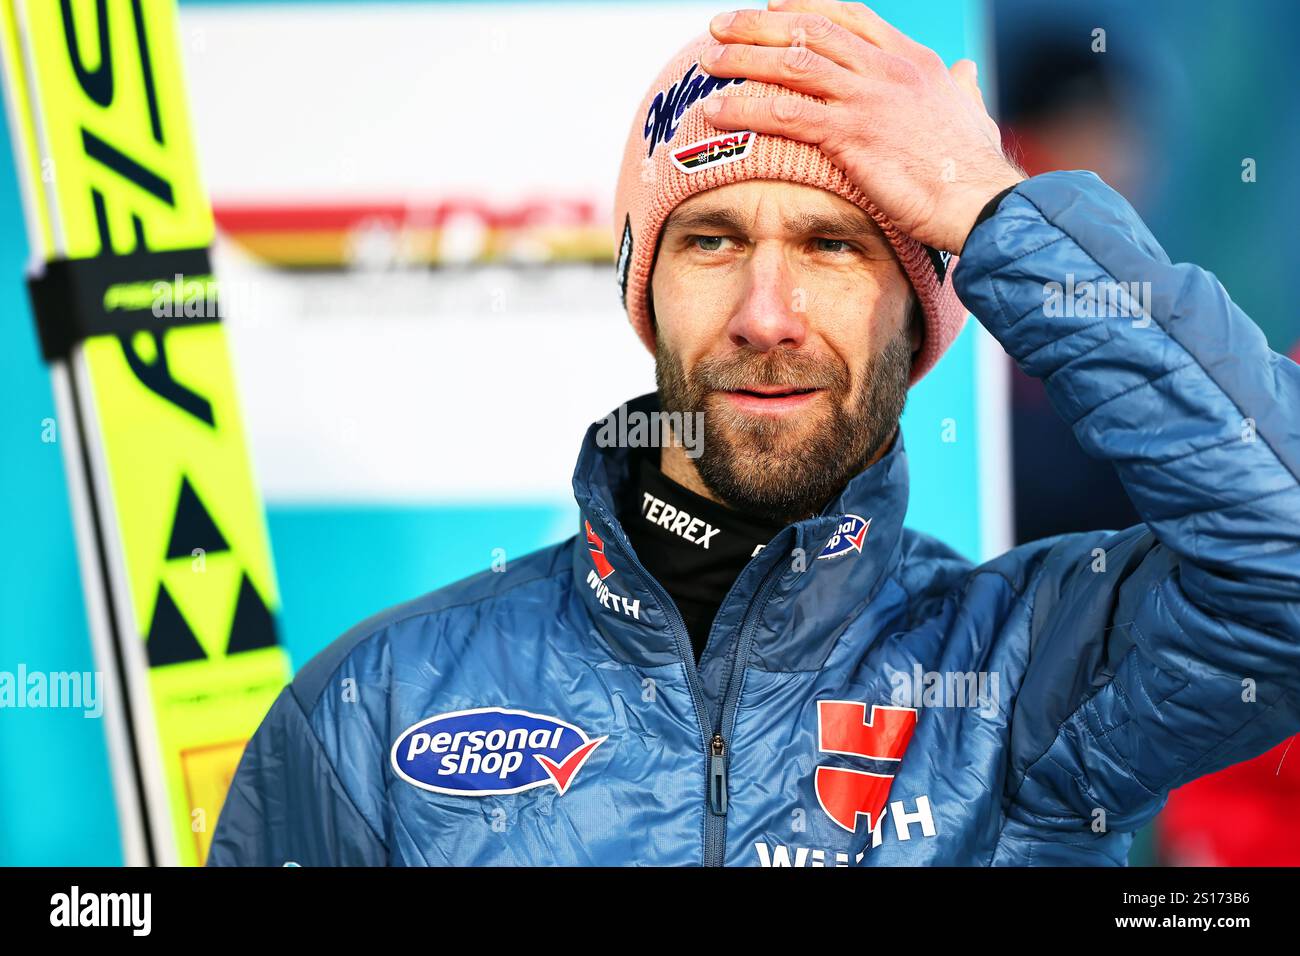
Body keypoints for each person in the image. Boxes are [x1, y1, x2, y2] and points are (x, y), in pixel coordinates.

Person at [208, 0, 1300, 866]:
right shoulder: (377, 707)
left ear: (921, 312)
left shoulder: (1025, 674)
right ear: (646, 290)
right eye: (714, 240)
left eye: (832, 246)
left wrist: (990, 209)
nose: (766, 313)